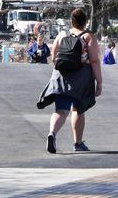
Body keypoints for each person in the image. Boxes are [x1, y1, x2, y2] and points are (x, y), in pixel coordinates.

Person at [37, 8, 101, 153]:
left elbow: (54, 57)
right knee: (78, 110)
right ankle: (78, 143)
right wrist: (99, 81)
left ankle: (52, 133)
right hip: (81, 77)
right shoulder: (88, 37)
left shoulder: (62, 35)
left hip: (61, 76)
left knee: (60, 111)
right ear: (85, 22)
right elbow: (95, 60)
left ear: (71, 21)